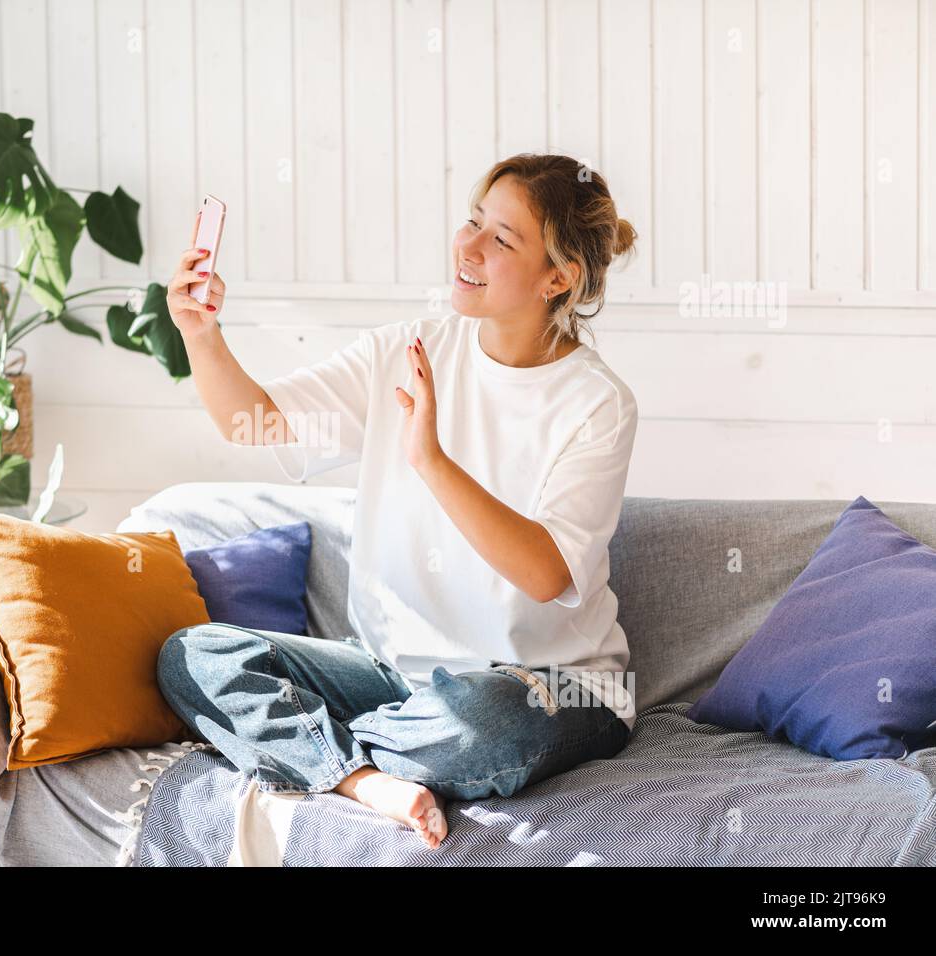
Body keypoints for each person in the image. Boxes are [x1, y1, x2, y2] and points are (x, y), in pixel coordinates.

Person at [157, 153, 640, 850]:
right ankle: (364, 781)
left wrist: (430, 460)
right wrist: (200, 335)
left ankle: (308, 751)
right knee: (194, 656)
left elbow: (545, 574)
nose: (467, 247)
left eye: (501, 240)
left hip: (550, 687)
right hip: (394, 681)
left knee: (486, 720)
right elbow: (252, 422)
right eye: (472, 222)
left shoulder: (598, 404)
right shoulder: (406, 351)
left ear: (558, 277)